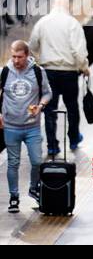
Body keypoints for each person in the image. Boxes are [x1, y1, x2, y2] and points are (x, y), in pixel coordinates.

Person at [28, 0, 90, 156]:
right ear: (67, 7)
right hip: (69, 72)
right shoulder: (72, 23)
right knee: (72, 107)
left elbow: (33, 45)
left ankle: (52, 145)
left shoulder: (42, 22)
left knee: (49, 109)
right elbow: (78, 50)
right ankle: (74, 138)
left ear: (53, 6)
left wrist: (40, 60)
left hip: (48, 72)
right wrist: (84, 67)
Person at [2, 40, 51, 212]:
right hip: (11, 126)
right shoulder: (5, 72)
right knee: (13, 163)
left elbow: (47, 92)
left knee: (37, 161)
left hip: (32, 126)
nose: (16, 60)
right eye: (13, 56)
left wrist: (41, 106)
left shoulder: (37, 72)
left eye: (20, 57)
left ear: (27, 55)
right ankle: (14, 196)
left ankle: (33, 188)